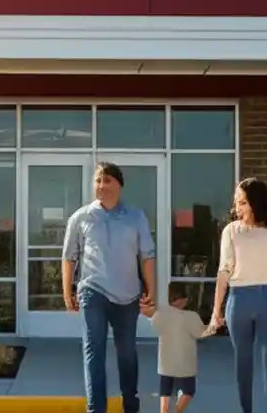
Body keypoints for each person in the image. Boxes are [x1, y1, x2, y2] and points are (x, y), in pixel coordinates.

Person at [62, 161, 156, 413]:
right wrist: (67, 292)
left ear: (119, 185)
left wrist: (151, 292)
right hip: (93, 292)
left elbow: (147, 256)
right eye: (98, 181)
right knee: (94, 350)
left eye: (107, 180)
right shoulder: (81, 217)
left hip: (128, 297)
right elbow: (69, 257)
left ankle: (130, 403)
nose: (101, 186)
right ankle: (96, 408)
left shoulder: (136, 217)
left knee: (127, 352)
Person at [208, 177, 267, 413]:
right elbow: (224, 271)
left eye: (243, 203)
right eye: (236, 203)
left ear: (257, 203)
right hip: (240, 300)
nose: (237, 209)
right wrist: (216, 310)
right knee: (243, 363)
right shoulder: (231, 231)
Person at [141, 284, 212, 413]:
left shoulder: (161, 314)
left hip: (165, 365)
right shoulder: (192, 316)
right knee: (188, 391)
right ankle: (177, 411)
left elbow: (153, 322)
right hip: (185, 366)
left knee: (165, 393)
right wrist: (214, 325)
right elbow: (201, 333)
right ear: (185, 299)